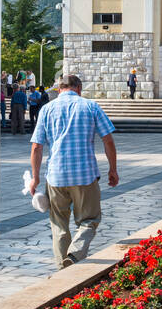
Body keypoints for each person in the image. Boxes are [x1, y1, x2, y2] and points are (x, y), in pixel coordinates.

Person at [29, 75, 118, 269]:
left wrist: (35, 178)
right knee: (89, 220)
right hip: (84, 175)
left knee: (59, 224)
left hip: (56, 176)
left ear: (59, 89)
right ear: (79, 88)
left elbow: (37, 146)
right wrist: (113, 169)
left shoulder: (46, 109)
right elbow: (108, 140)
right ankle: (76, 253)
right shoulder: (90, 106)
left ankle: (63, 267)